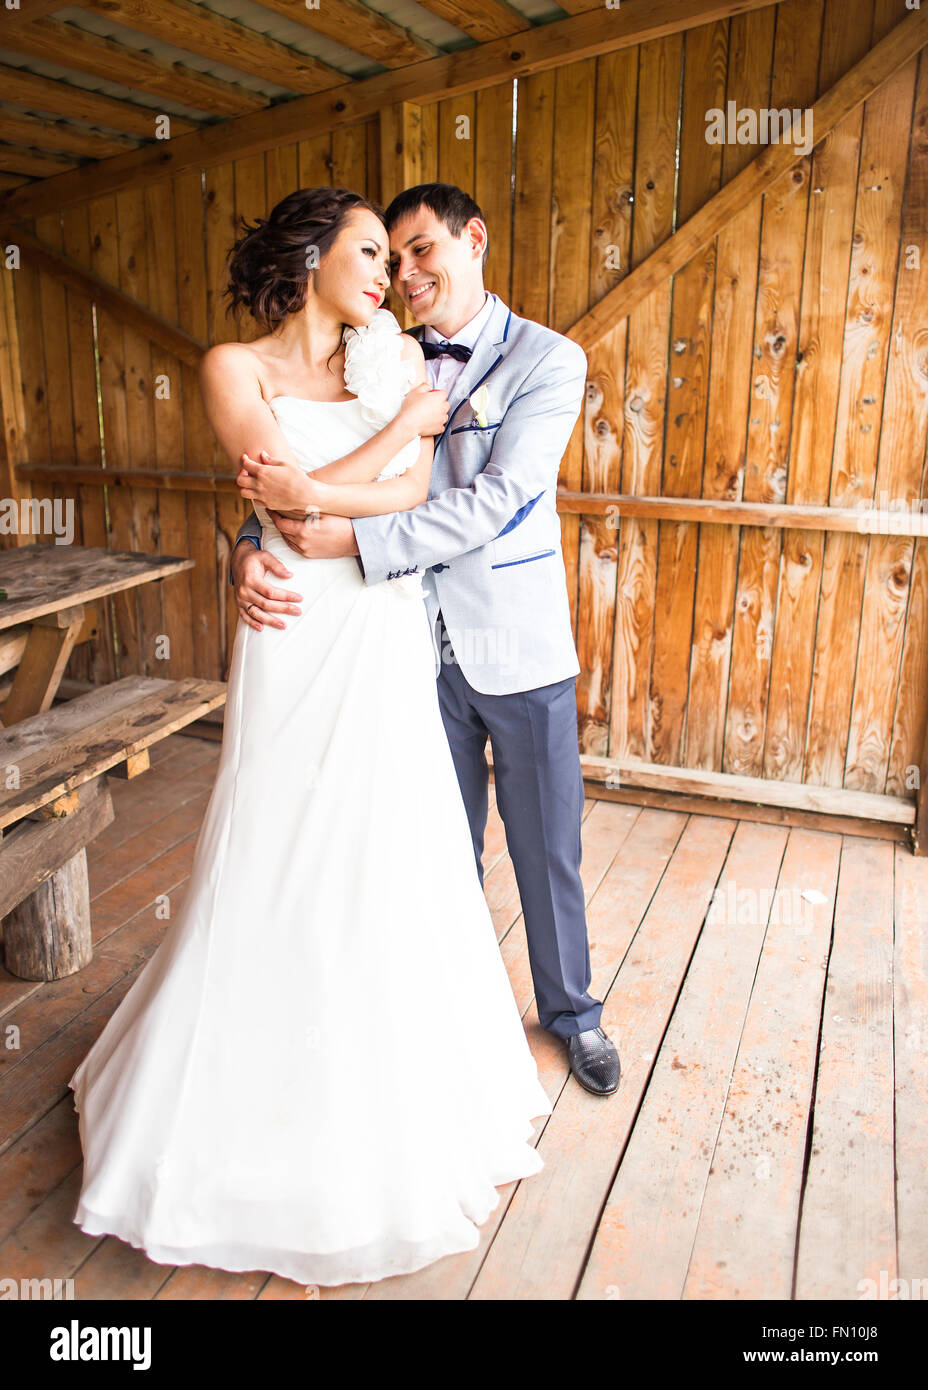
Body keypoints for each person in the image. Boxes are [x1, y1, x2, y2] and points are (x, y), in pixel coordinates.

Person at [67, 187, 555, 1289]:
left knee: (388, 840)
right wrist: (365, 459)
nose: (387, 274)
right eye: (370, 250)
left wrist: (342, 479)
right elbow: (289, 512)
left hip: (376, 625)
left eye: (396, 253)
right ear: (309, 255)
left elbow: (414, 494)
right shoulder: (231, 365)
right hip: (292, 626)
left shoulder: (386, 358)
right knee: (278, 838)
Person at [232, 182, 621, 1097]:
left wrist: (357, 545)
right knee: (430, 848)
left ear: (471, 238)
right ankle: (453, 1013)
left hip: (514, 642)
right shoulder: (377, 350)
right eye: (388, 257)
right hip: (403, 649)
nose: (403, 274)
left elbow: (497, 501)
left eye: (418, 251)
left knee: (544, 845)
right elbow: (301, 463)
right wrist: (251, 545)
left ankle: (573, 1016)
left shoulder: (547, 359)